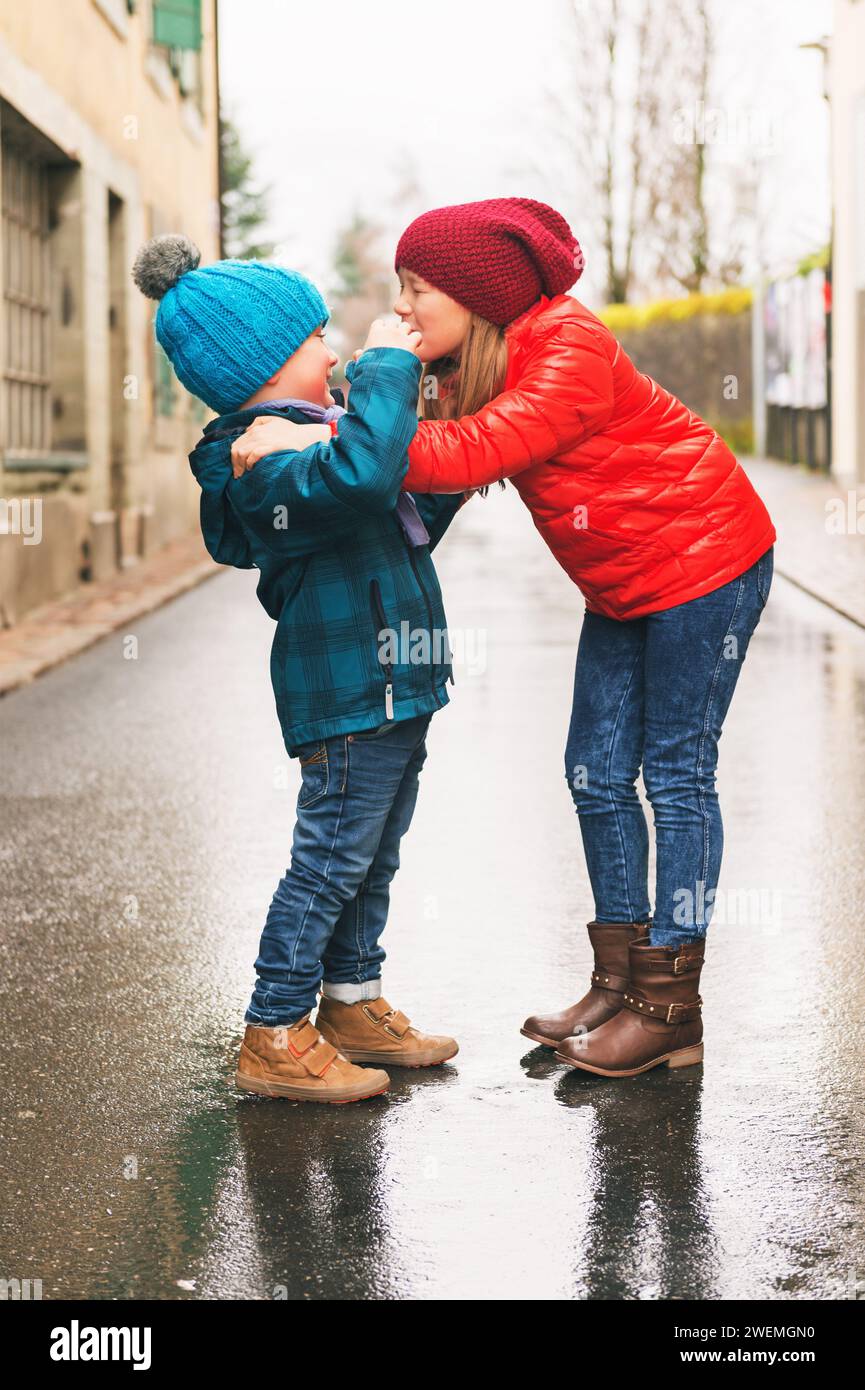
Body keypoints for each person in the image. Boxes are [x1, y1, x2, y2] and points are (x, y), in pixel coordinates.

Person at [231, 197, 777, 1079]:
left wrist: (321, 430)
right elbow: (414, 451)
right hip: (621, 583)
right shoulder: (470, 362)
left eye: (417, 289)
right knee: (595, 774)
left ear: (475, 294)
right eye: (401, 290)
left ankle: (671, 1005)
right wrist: (333, 436)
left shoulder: (570, 349)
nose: (403, 307)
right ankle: (619, 979)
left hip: (703, 559)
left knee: (674, 774)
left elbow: (461, 454)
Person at [132, 233, 461, 1103]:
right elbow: (355, 484)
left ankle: (350, 1001)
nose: (336, 346)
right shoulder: (259, 460)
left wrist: (455, 451)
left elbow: (396, 505)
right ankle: (274, 1029)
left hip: (397, 682)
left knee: (370, 857)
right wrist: (390, 372)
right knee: (329, 861)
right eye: (316, 336)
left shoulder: (313, 432)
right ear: (270, 362)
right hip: (347, 690)